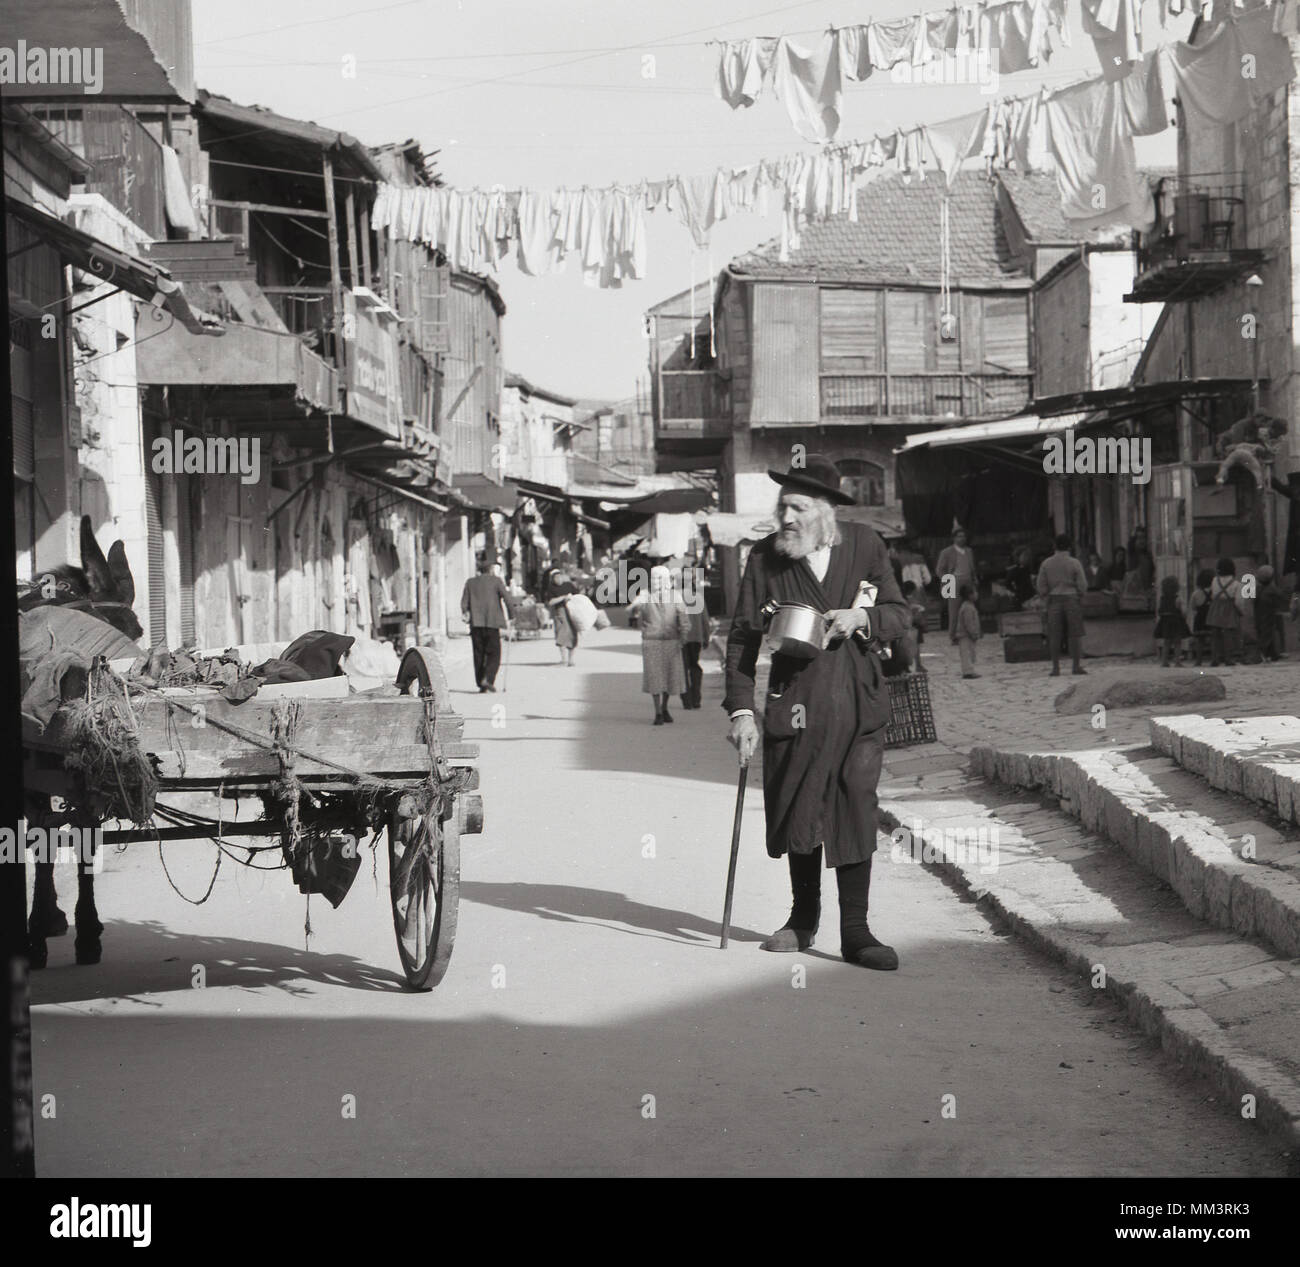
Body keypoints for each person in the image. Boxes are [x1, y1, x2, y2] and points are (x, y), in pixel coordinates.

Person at [724, 454, 910, 972]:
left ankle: (857, 932)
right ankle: (803, 919)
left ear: (825, 511)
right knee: (801, 806)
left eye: (797, 508)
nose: (785, 518)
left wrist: (862, 617)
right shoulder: (765, 559)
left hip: (858, 704)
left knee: (855, 805)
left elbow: (900, 613)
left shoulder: (866, 545)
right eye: (782, 506)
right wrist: (741, 713)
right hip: (795, 703)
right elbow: (742, 638)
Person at [629, 566, 691, 725]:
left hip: (655, 641)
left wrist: (644, 631)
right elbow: (684, 619)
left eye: (657, 578)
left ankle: (661, 710)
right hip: (665, 640)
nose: (656, 581)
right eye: (655, 578)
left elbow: (638, 619)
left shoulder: (646, 596)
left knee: (659, 676)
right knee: (664, 676)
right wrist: (683, 637)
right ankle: (661, 710)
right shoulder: (673, 596)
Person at [1036, 533, 1088, 676]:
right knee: (1075, 634)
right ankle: (1076, 666)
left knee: (1054, 635)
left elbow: (1041, 585)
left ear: (1055, 545)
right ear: (1069, 546)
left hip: (1054, 599)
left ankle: (1055, 668)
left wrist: (1046, 595)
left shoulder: (1046, 563)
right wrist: (1080, 594)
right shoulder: (1074, 563)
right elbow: (1082, 584)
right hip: (1071, 598)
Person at [461, 552, 511, 693]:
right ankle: (488, 679)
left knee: (478, 653)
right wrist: (512, 615)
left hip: (476, 623)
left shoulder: (470, 582)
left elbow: (464, 602)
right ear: (490, 569)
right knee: (494, 652)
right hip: (492, 622)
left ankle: (481, 683)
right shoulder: (496, 581)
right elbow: (507, 598)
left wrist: (465, 612)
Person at [678, 571, 712, 709]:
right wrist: (706, 637)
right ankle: (696, 698)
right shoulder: (698, 598)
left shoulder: (677, 598)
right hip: (696, 638)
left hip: (682, 638)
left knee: (683, 668)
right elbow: (705, 620)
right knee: (694, 665)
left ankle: (687, 700)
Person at [935, 528, 978, 633]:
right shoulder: (946, 552)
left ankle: (972, 631)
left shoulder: (969, 551)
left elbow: (972, 567)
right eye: (959, 536)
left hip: (968, 581)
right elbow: (939, 570)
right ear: (954, 538)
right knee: (954, 610)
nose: (962, 539)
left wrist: (974, 579)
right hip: (954, 581)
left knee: (970, 608)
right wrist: (948, 582)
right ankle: (953, 635)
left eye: (964, 536)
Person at [1206, 557, 1245, 667]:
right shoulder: (1237, 584)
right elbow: (1239, 601)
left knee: (1215, 635)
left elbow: (1213, 595)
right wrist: (1241, 612)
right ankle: (1228, 659)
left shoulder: (1214, 580)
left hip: (1216, 607)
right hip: (1229, 609)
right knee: (1228, 636)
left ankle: (1215, 659)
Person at [1153, 575, 1191, 667]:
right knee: (1177, 643)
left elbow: (1159, 611)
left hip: (1165, 622)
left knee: (1166, 642)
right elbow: (1183, 612)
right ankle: (1177, 661)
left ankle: (1164, 661)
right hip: (1176, 622)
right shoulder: (1178, 598)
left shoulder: (1162, 598)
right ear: (1176, 587)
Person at [547, 567, 580, 666]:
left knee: (572, 635)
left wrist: (571, 598)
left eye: (559, 576)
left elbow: (578, 596)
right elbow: (550, 602)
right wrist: (562, 598)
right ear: (552, 579)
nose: (558, 579)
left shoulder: (568, 585)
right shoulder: (551, 588)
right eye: (555, 577)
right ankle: (564, 659)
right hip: (560, 613)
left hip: (572, 612)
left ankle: (571, 660)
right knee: (561, 635)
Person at [1254, 565, 1286, 662]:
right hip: (1269, 615)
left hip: (1259, 615)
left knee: (1264, 633)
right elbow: (1281, 596)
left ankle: (1272, 653)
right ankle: (1261, 654)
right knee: (1268, 634)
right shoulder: (1272, 589)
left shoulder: (1258, 589)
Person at [1189, 568, 1215, 666]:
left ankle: (1198, 660)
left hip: (1200, 619)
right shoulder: (1215, 592)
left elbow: (1193, 607)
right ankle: (1214, 659)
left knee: (1199, 640)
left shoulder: (1196, 593)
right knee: (1213, 639)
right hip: (1211, 617)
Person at [955, 583, 981, 679]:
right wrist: (974, 633)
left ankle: (969, 670)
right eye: (975, 592)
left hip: (966, 634)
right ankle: (968, 671)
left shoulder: (968, 606)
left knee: (970, 652)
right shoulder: (967, 608)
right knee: (967, 653)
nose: (977, 594)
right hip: (965, 635)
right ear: (970, 595)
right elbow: (968, 623)